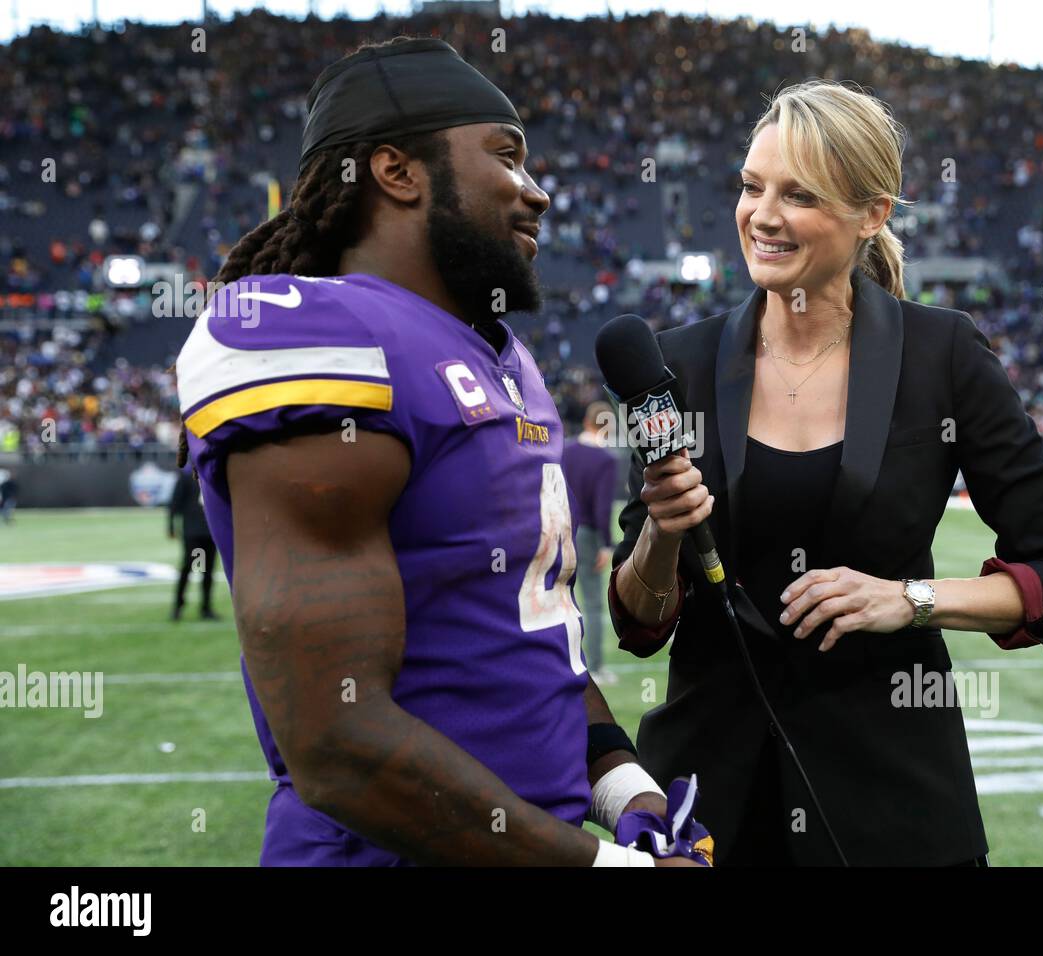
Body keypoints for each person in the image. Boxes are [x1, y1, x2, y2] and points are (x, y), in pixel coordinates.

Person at [173, 37, 707, 867]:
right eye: (507, 157)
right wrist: (603, 866)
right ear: (397, 172)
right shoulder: (317, 333)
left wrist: (630, 796)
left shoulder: (506, 361)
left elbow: (533, 643)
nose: (538, 192)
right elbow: (337, 741)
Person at [608, 80, 1043, 866]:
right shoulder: (677, 365)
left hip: (895, 802)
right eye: (750, 186)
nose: (762, 215)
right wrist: (661, 536)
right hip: (710, 808)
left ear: (873, 214)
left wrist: (908, 602)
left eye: (798, 194)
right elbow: (638, 622)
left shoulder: (944, 355)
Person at [561, 400, 622, 685]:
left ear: (586, 421)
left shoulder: (565, 449)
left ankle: (562, 663)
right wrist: (607, 544)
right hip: (586, 535)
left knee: (558, 600)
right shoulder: (605, 460)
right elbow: (602, 507)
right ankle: (595, 667)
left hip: (559, 529)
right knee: (595, 604)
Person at [167, 463, 219, 620]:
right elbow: (175, 503)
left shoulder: (212, 474)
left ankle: (205, 607)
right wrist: (171, 526)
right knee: (190, 567)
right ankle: (178, 606)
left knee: (207, 570)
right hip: (193, 532)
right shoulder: (186, 475)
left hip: (210, 531)